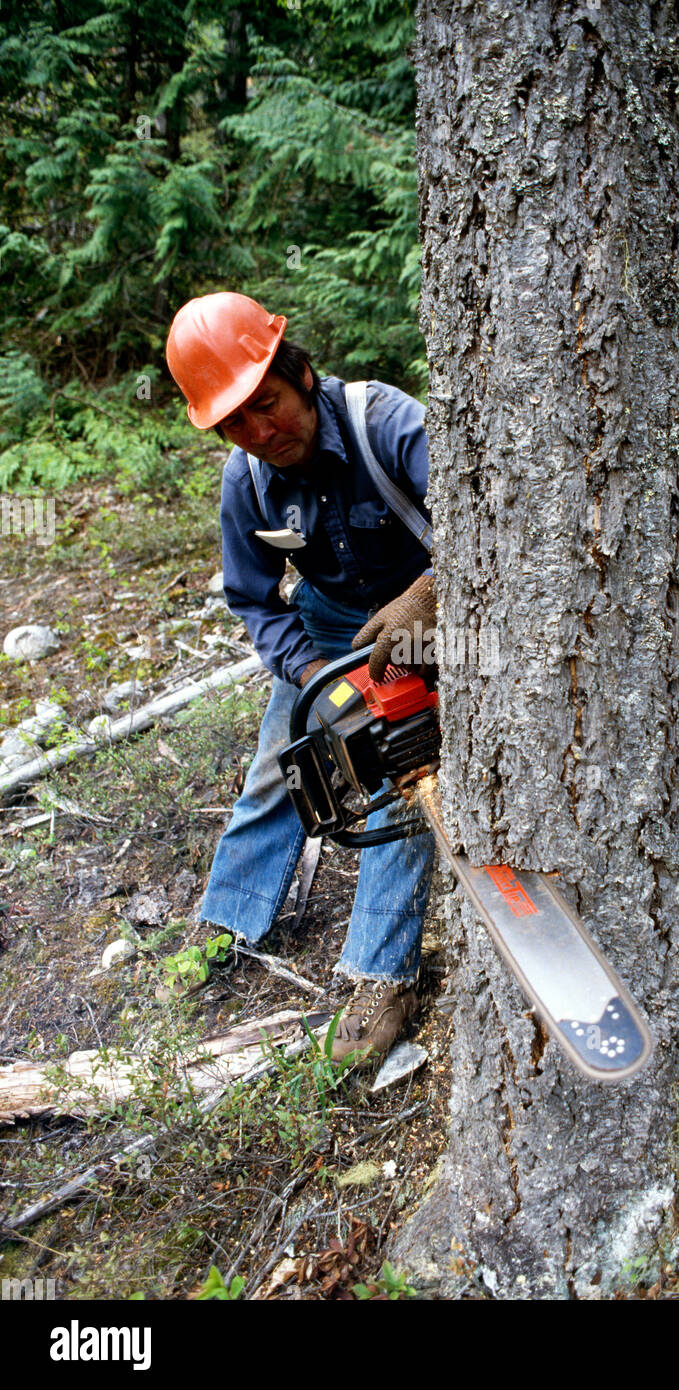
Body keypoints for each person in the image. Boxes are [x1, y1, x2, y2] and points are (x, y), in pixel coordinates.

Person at [165, 291, 437, 1062]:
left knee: (400, 770)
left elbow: (490, 516)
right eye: (235, 423)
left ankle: (382, 974)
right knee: (283, 765)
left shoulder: (385, 423)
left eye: (268, 405)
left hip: (429, 627)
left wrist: (428, 596)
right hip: (331, 633)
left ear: (301, 374)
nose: (260, 433)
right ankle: (228, 918)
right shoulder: (245, 482)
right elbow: (254, 599)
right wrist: (321, 678)